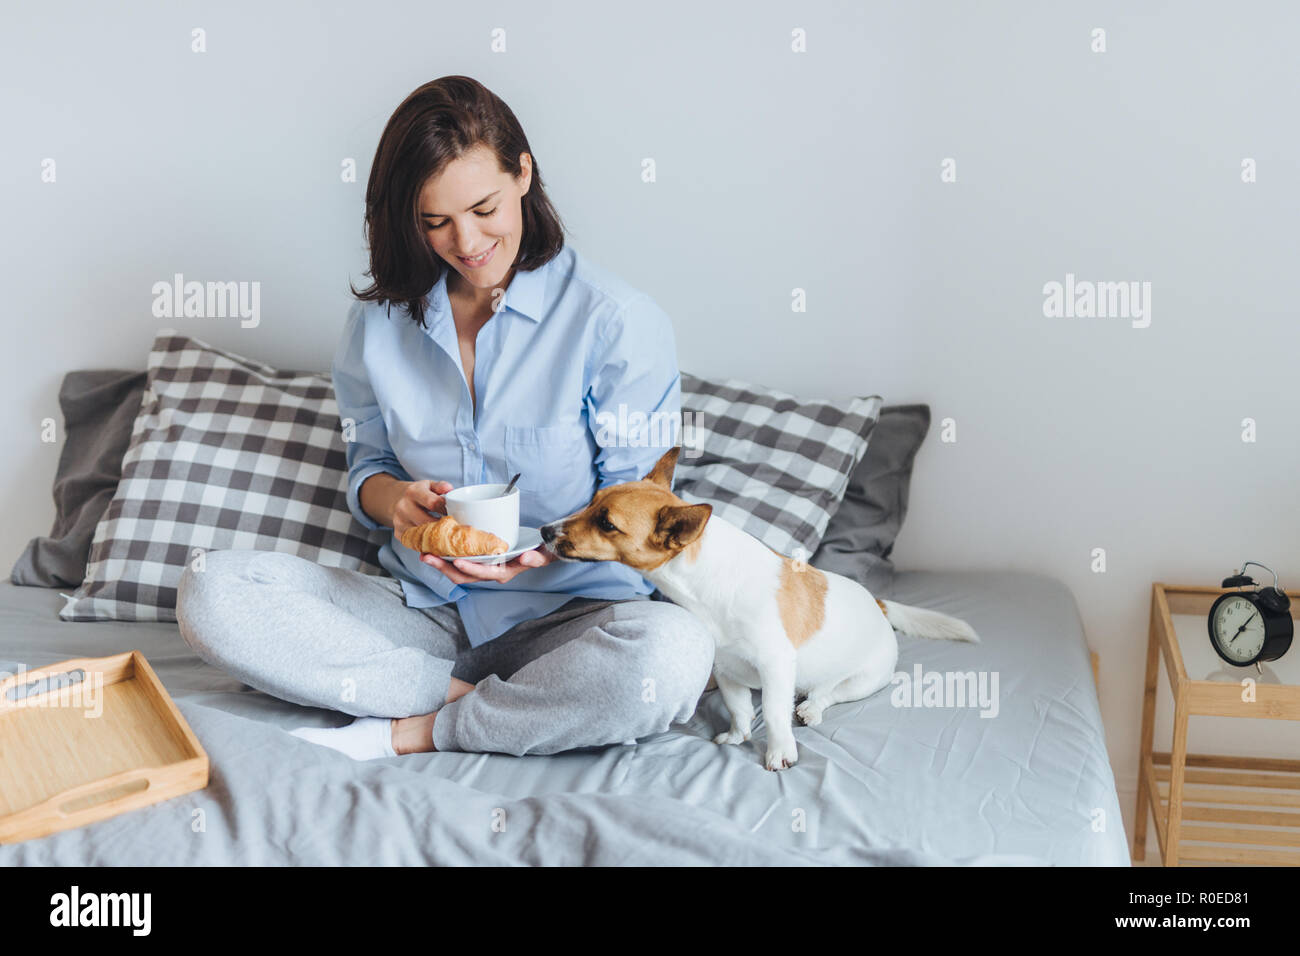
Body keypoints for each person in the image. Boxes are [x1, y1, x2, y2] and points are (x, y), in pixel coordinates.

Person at [175, 76, 714, 760]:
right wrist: (397, 500)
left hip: (579, 617)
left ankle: (416, 727)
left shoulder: (616, 323)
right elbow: (368, 467)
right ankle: (486, 700)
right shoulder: (376, 325)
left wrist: (533, 555)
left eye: (484, 208)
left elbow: (638, 514)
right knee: (213, 591)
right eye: (436, 222)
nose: (467, 242)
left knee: (672, 656)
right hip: (423, 609)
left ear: (524, 173)